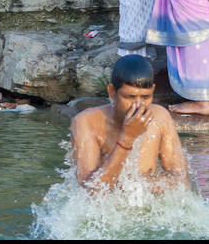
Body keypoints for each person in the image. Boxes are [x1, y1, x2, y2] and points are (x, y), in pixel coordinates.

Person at [71, 55, 187, 189]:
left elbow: (182, 182)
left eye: (145, 97)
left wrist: (137, 187)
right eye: (130, 97)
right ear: (112, 92)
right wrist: (128, 137)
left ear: (153, 91)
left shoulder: (160, 117)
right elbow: (91, 191)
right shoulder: (85, 122)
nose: (138, 105)